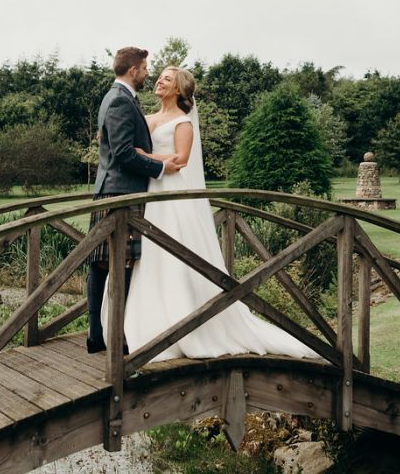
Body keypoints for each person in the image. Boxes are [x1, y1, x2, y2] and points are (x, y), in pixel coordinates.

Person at [102, 65, 320, 361]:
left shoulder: (183, 123)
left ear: (178, 89)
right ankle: (142, 325)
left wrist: (147, 156)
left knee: (173, 256)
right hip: (149, 193)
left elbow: (181, 160)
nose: (159, 80)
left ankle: (182, 324)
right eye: (160, 76)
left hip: (171, 195)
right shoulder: (147, 118)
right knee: (148, 258)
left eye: (167, 78)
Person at [86, 47, 182, 353]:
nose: (147, 73)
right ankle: (113, 336)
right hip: (121, 192)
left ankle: (102, 334)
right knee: (117, 262)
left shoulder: (116, 97)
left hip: (114, 189)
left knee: (103, 262)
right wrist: (160, 168)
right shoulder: (120, 101)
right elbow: (123, 154)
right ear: (133, 70)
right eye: (145, 68)